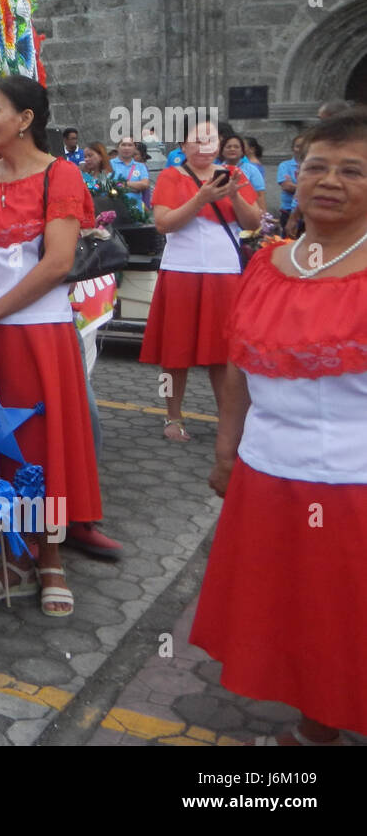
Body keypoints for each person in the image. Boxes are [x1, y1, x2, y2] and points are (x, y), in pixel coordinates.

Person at [190, 108, 367, 744]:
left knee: (348, 622)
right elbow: (239, 368)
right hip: (268, 475)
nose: (330, 180)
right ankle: (314, 733)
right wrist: (225, 452)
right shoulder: (266, 264)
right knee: (300, 621)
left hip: (352, 488)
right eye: (317, 165)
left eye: (353, 170)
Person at [0, 76, 104, 617]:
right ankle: (7, 556)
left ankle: (51, 558)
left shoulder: (60, 176)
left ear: (25, 119)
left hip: (38, 332)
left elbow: (58, 262)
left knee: (43, 445)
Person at [138, 120, 262, 441]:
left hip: (225, 274)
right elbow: (164, 223)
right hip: (181, 272)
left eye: (211, 140)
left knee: (223, 352)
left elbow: (253, 223)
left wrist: (234, 196)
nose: (203, 146)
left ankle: (229, 419)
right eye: (196, 140)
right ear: (183, 145)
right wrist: (201, 199)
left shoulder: (235, 175)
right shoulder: (169, 176)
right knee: (174, 350)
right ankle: (173, 416)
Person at [109, 137, 151, 215]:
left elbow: (145, 184)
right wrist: (135, 188)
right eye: (123, 145)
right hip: (115, 211)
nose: (126, 148)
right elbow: (109, 185)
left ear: (134, 148)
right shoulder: (109, 164)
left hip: (136, 211)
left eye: (130, 145)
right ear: (118, 147)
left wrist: (123, 184)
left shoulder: (140, 166)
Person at [221, 134, 265, 208]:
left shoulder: (252, 169)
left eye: (236, 147)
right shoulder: (216, 169)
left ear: (242, 151)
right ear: (222, 151)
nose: (232, 149)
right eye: (228, 147)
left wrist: (262, 213)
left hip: (248, 209)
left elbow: (259, 194)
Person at [276, 133, 304, 234]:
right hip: (287, 210)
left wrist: (295, 186)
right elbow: (286, 186)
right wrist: (306, 188)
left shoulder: (314, 166)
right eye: (298, 146)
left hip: (307, 211)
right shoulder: (284, 165)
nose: (301, 149)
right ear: (293, 148)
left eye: (304, 146)